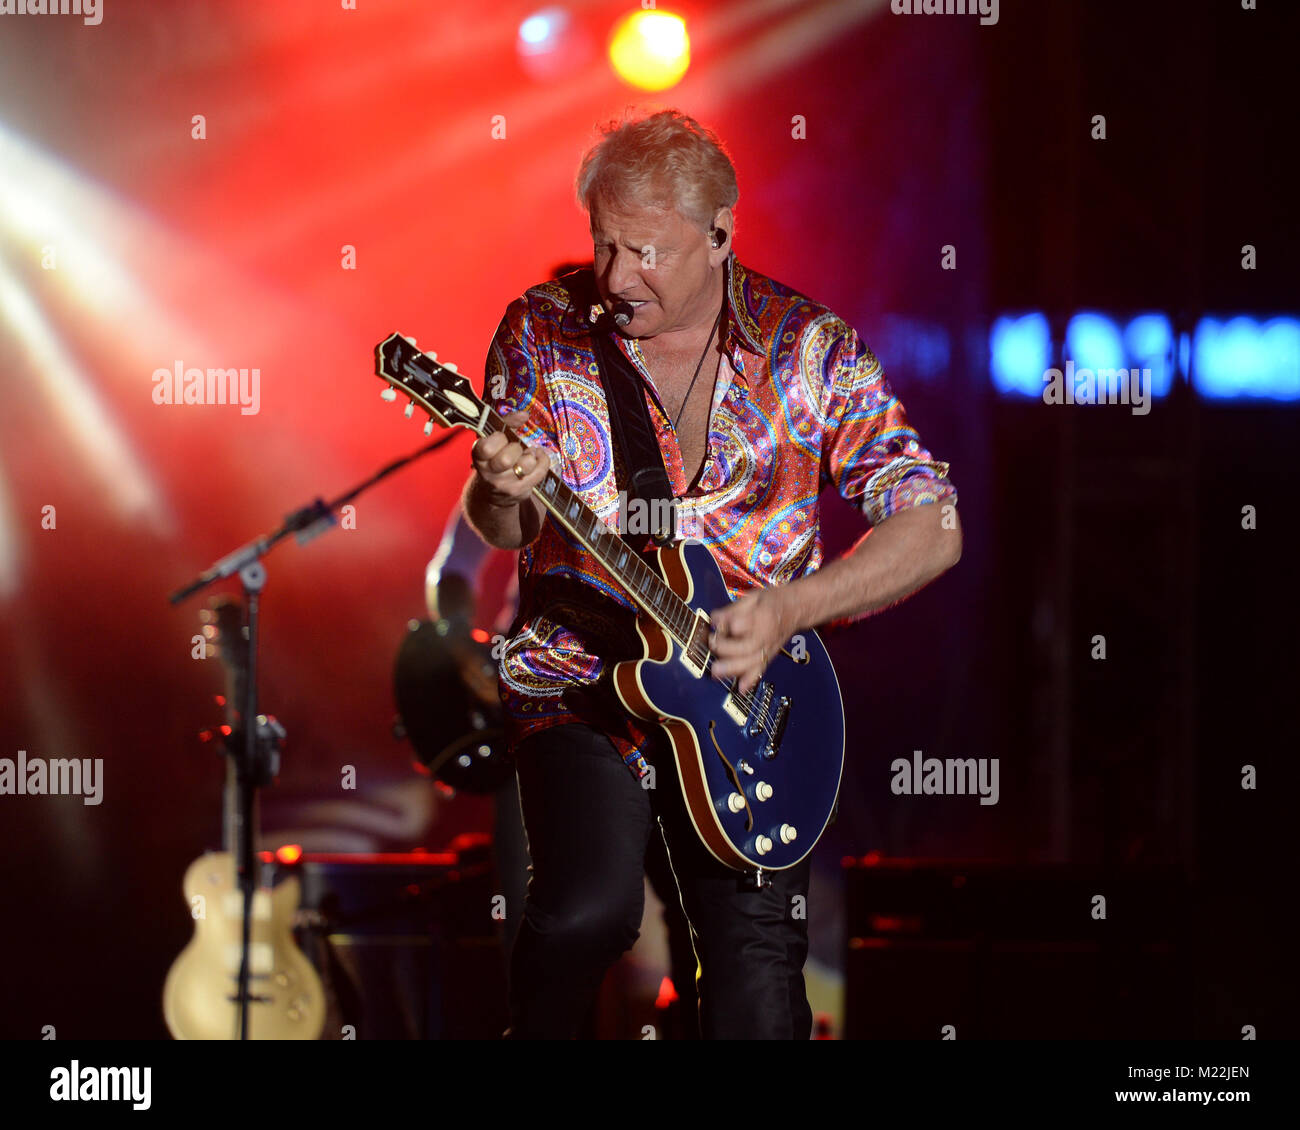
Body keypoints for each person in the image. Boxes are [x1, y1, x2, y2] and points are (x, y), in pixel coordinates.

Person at [464, 109, 961, 1039]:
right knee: (585, 915)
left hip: (752, 708)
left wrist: (789, 610)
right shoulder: (544, 329)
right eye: (604, 244)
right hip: (583, 680)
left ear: (721, 233)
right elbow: (506, 523)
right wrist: (497, 489)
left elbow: (932, 524)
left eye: (646, 250)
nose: (617, 277)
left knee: (757, 994)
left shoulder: (809, 349)